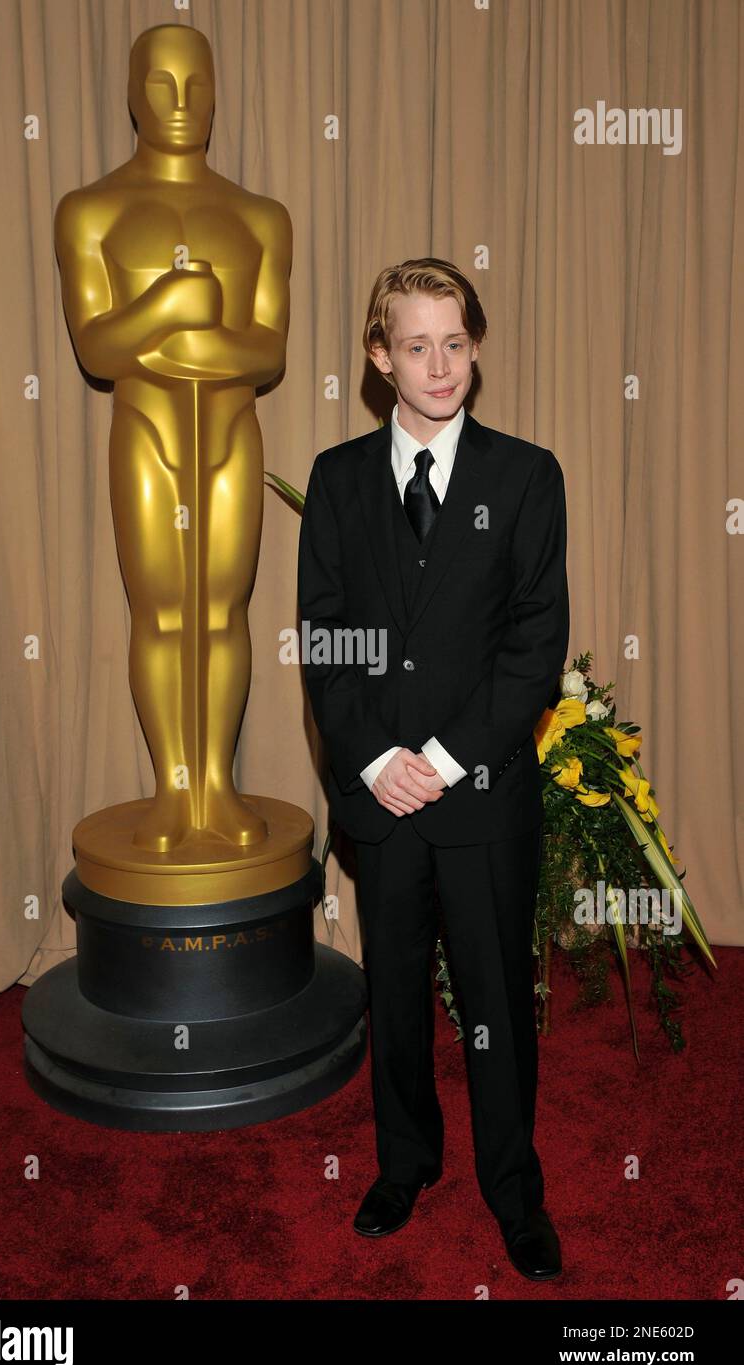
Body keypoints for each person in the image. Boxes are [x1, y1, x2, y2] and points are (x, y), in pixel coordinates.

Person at [297, 258, 570, 1281]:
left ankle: (513, 1185)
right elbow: (325, 640)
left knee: (496, 1003)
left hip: (483, 795)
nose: (440, 363)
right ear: (380, 358)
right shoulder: (333, 481)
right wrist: (375, 759)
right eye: (416, 344)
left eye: (456, 341)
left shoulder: (525, 476)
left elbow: (533, 648)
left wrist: (447, 759)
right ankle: (404, 1163)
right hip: (383, 799)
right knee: (398, 994)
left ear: (475, 347)